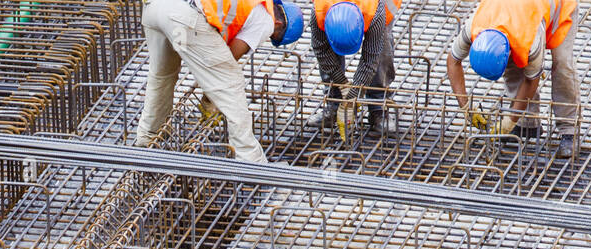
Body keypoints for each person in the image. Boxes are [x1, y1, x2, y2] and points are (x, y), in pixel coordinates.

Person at [135, 0, 305, 162]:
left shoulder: (253, 5)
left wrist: (209, 84)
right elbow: (231, 57)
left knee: (162, 76)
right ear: (279, 25)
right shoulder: (267, 19)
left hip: (155, 9)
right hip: (183, 17)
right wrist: (212, 96)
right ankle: (251, 160)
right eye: (274, 37)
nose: (269, 37)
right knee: (232, 83)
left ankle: (148, 137)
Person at [446, 0, 580, 159]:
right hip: (519, 14)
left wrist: (510, 119)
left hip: (560, 7)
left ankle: (569, 132)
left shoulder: (531, 40)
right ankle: (527, 123)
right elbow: (453, 61)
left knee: (562, 65)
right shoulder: (473, 26)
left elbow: (531, 80)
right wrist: (465, 106)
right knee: (515, 64)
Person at [307, 0, 400, 139]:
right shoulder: (320, 12)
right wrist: (343, 85)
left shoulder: (375, 12)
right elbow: (322, 50)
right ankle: (335, 103)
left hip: (378, 6)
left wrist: (353, 94)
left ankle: (378, 107)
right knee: (328, 45)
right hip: (333, 12)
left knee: (382, 48)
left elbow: (370, 58)